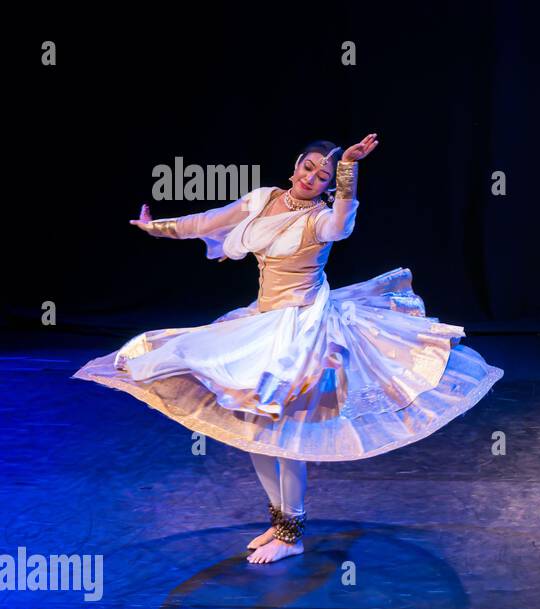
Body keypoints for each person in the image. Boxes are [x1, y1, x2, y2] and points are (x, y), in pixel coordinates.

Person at [73, 134, 504, 564]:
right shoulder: (263, 199)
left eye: (323, 176)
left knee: (283, 434)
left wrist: (350, 169)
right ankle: (281, 522)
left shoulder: (321, 220)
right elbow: (209, 220)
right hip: (260, 323)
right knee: (251, 428)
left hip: (302, 330)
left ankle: (292, 532)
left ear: (328, 184)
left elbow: (344, 221)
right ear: (296, 163)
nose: (311, 177)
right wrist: (158, 227)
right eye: (309, 166)